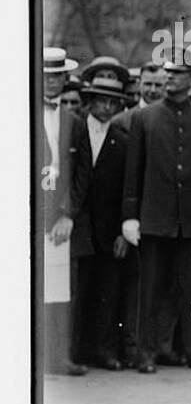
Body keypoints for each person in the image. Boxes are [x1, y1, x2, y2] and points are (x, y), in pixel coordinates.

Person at [121, 59, 191, 373]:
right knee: (151, 291)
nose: (170, 78)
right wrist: (131, 215)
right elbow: (134, 171)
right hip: (156, 218)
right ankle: (146, 352)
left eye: (177, 73)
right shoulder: (145, 117)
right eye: (167, 73)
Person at [72, 75, 131, 370]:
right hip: (79, 227)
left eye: (113, 103)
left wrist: (123, 230)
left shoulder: (122, 140)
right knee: (78, 291)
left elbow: (127, 190)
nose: (107, 108)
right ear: (90, 101)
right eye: (101, 101)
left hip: (109, 230)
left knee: (108, 292)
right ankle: (75, 350)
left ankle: (104, 350)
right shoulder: (75, 130)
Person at [41, 48, 92, 376]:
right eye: (45, 76)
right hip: (29, 216)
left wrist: (67, 214)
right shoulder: (17, 112)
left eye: (57, 76)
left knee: (60, 291)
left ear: (65, 78)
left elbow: (83, 173)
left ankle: (59, 357)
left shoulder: (74, 121)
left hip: (60, 219)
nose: (51, 82)